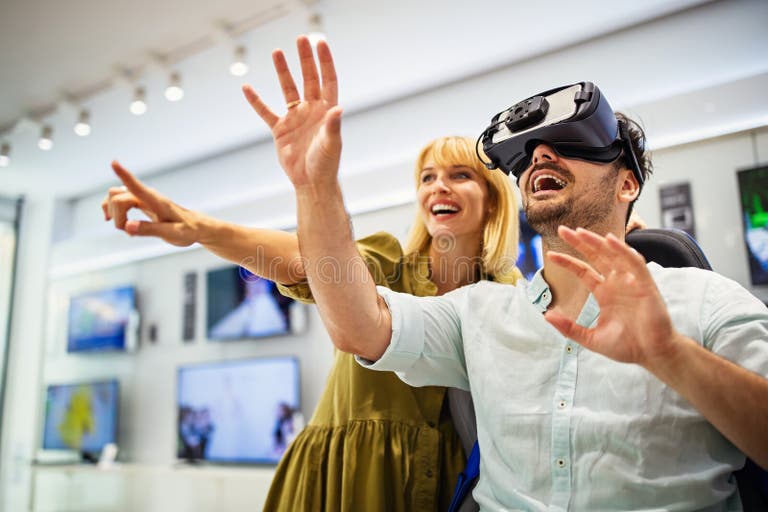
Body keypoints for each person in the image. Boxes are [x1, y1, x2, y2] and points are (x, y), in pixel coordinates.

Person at [252, 36, 768, 510]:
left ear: (627, 183)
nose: (540, 154)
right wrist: (314, 187)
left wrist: (671, 355)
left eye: (569, 142)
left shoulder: (707, 302)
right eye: (527, 154)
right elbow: (357, 326)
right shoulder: (481, 312)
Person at [101, 58, 521, 512]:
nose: (439, 187)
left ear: (493, 196)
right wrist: (198, 227)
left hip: (454, 487)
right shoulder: (387, 262)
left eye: (459, 175)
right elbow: (306, 261)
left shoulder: (513, 295)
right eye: (427, 177)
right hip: (346, 479)